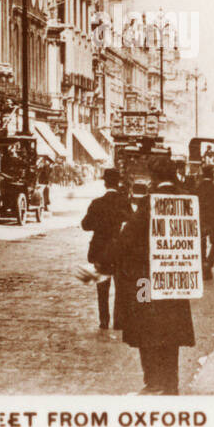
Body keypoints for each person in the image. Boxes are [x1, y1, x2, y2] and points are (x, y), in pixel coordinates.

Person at [117, 163, 196, 394]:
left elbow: (127, 238)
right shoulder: (187, 200)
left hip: (146, 281)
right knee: (171, 331)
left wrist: (103, 263)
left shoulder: (149, 202)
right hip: (176, 279)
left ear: (154, 178)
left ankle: (153, 382)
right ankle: (171, 384)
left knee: (145, 327)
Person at [81, 168, 132, 331]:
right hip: (119, 250)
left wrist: (100, 225)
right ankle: (119, 322)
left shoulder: (97, 203)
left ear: (105, 183)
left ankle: (104, 321)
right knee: (121, 288)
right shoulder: (124, 202)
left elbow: (85, 225)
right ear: (118, 183)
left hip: (101, 250)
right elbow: (131, 223)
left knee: (102, 288)